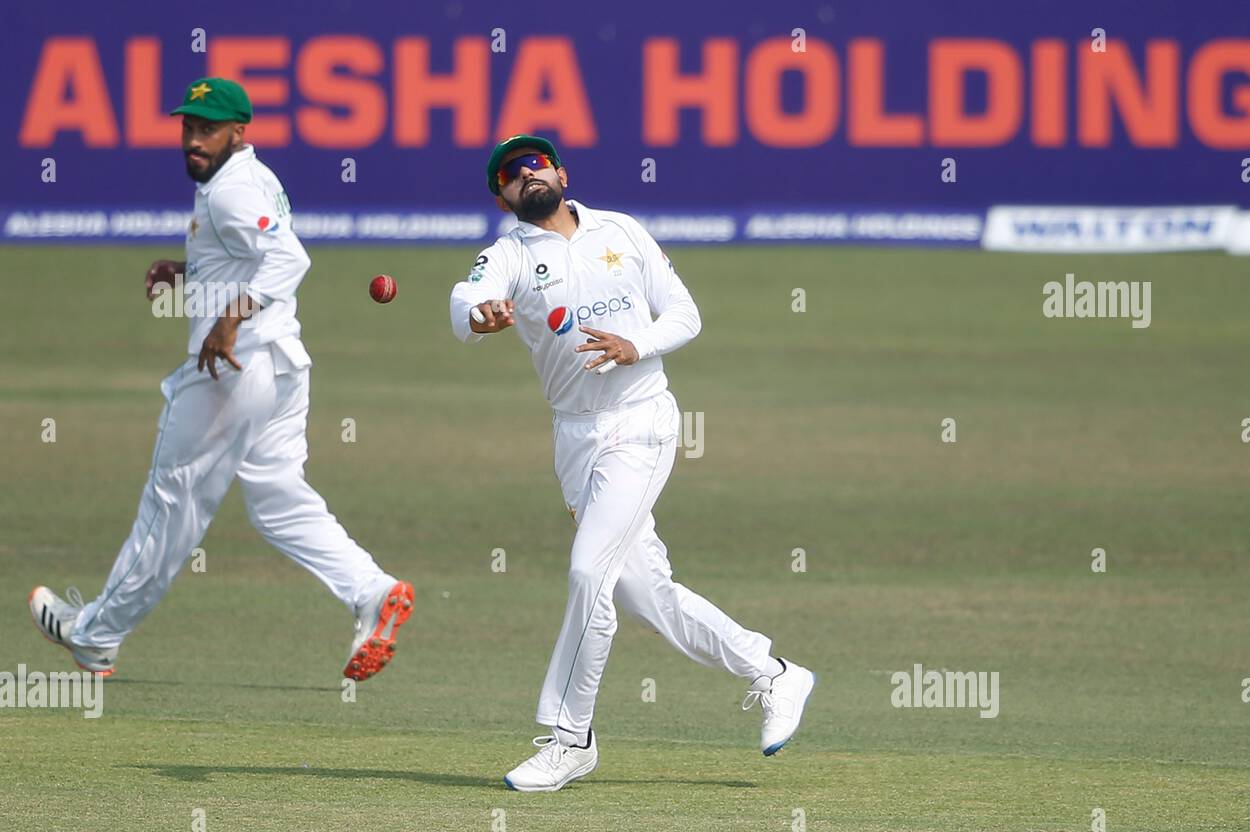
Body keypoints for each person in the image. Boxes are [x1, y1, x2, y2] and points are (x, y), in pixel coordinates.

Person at [448, 134, 816, 793]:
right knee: (648, 596)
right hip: (574, 437)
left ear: (561, 172)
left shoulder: (621, 230)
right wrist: (482, 315)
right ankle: (776, 673)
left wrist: (635, 345)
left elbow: (685, 314)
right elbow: (464, 301)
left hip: (641, 425)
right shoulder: (507, 253)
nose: (526, 175)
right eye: (511, 173)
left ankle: (568, 739)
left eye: (536, 164)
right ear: (500, 197)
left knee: (589, 572)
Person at [28, 77, 413, 681]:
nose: (193, 139)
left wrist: (229, 317)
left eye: (207, 128)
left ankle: (97, 634)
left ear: (239, 131)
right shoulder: (245, 178)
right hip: (284, 364)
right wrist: (191, 272)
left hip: (235, 368)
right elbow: (251, 254)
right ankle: (372, 591)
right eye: (187, 126)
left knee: (170, 504)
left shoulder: (231, 189)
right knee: (278, 499)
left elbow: (291, 258)